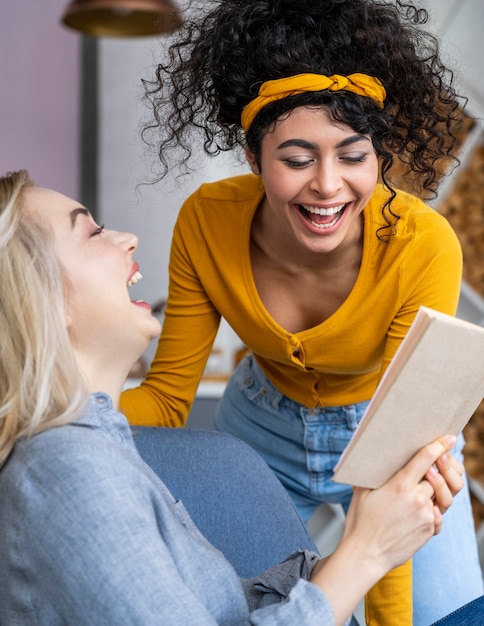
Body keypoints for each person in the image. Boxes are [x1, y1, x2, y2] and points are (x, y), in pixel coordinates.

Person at [119, 0, 484, 624]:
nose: (327, 185)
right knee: (239, 610)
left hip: (396, 441)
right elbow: (164, 402)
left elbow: (392, 470)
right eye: (296, 159)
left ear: (377, 155)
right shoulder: (207, 222)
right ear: (255, 155)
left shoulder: (422, 245)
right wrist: (39, 413)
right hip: (257, 437)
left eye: (353, 155)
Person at [0, 169, 478, 626]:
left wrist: (359, 553)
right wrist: (366, 551)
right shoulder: (70, 472)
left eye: (353, 156)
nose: (126, 238)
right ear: (37, 295)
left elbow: (218, 602)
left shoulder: (100, 446)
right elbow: (165, 401)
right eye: (91, 232)